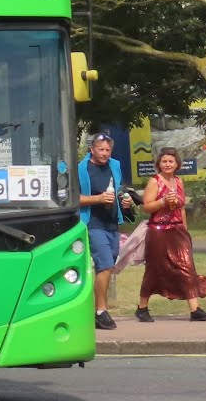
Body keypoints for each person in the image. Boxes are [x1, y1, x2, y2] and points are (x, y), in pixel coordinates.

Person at [134, 148, 206, 322]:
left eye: (171, 161)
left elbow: (181, 208)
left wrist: (185, 230)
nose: (167, 164)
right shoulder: (155, 181)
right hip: (159, 231)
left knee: (187, 268)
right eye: (164, 161)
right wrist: (162, 201)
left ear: (177, 164)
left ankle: (195, 309)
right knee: (154, 270)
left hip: (177, 231)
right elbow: (146, 207)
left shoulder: (178, 181)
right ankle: (142, 308)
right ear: (159, 164)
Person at [78, 132, 133, 330]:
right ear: (92, 150)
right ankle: (101, 311)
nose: (104, 153)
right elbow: (73, 199)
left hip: (112, 223)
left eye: (108, 150)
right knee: (105, 265)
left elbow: (120, 190)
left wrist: (125, 200)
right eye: (100, 149)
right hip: (93, 223)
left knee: (108, 266)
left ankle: (98, 310)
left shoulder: (114, 166)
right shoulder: (82, 169)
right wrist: (98, 199)